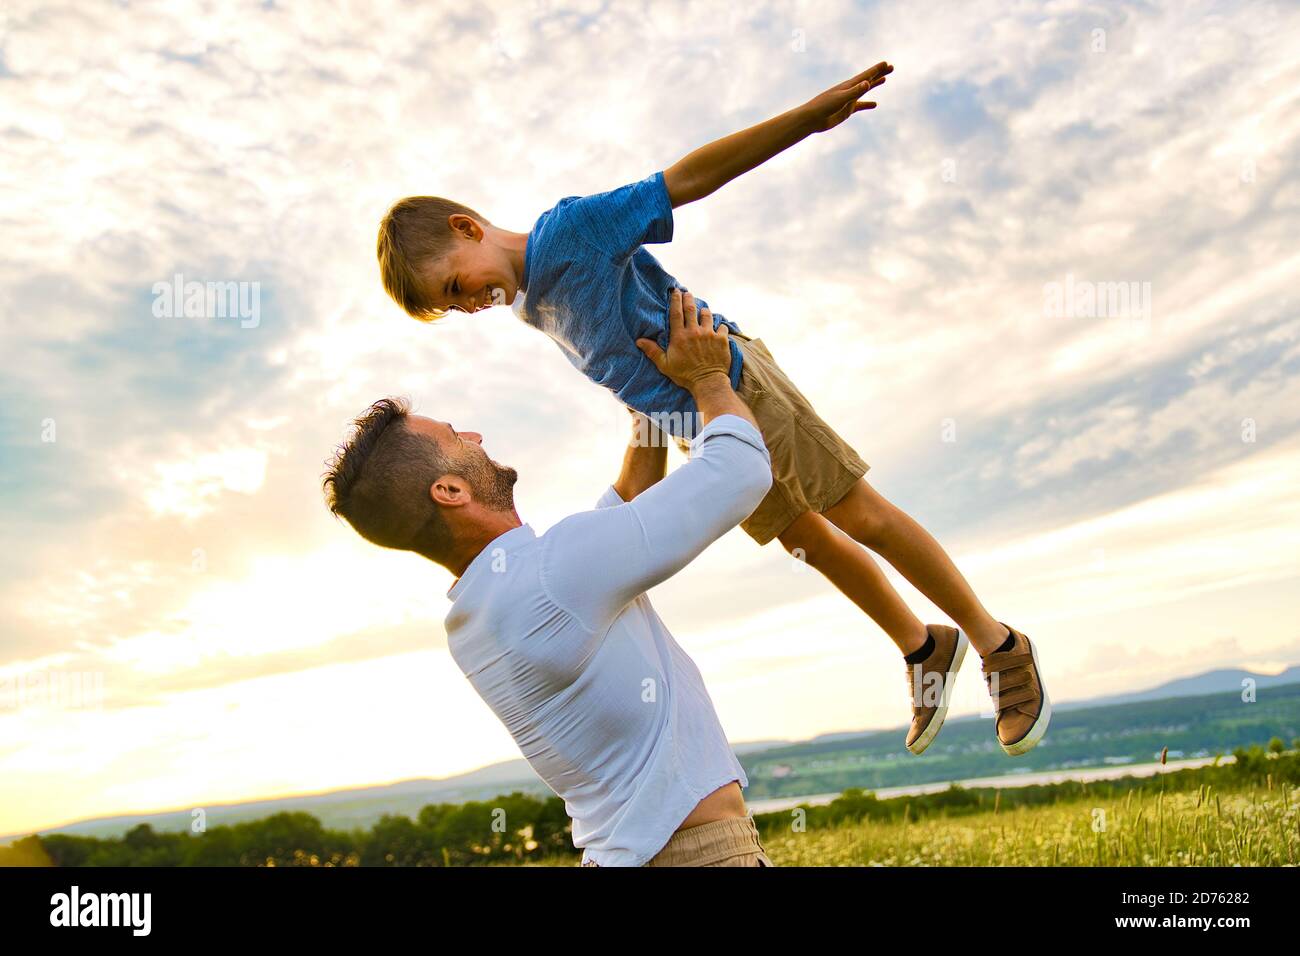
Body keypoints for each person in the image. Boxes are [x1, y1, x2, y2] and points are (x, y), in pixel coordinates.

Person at [374, 61, 1050, 756]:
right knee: (808, 541)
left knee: (859, 512)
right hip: (710, 433)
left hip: (736, 381)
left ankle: (998, 643)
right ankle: (923, 649)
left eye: (458, 284)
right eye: (453, 306)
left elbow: (685, 179)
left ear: (467, 227)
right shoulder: (533, 311)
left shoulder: (570, 233)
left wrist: (801, 121)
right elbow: (624, 368)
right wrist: (655, 427)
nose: (469, 303)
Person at [323, 290, 775, 866]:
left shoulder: (475, 619)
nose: (477, 438)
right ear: (450, 491)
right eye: (457, 437)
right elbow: (739, 471)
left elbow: (615, 529)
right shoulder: (554, 574)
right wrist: (710, 377)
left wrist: (647, 412)